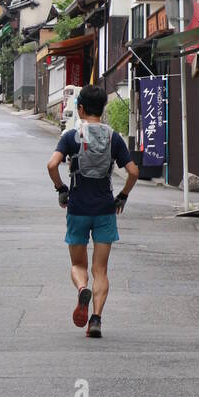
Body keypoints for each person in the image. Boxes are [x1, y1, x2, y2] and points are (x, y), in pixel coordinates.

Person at [47, 83, 138, 338]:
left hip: (77, 209)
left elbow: (51, 164)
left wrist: (61, 188)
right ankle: (96, 319)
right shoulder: (114, 138)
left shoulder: (71, 137)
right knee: (101, 270)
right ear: (103, 108)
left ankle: (81, 289)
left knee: (78, 264)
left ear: (80, 108)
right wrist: (122, 196)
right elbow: (133, 172)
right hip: (105, 211)